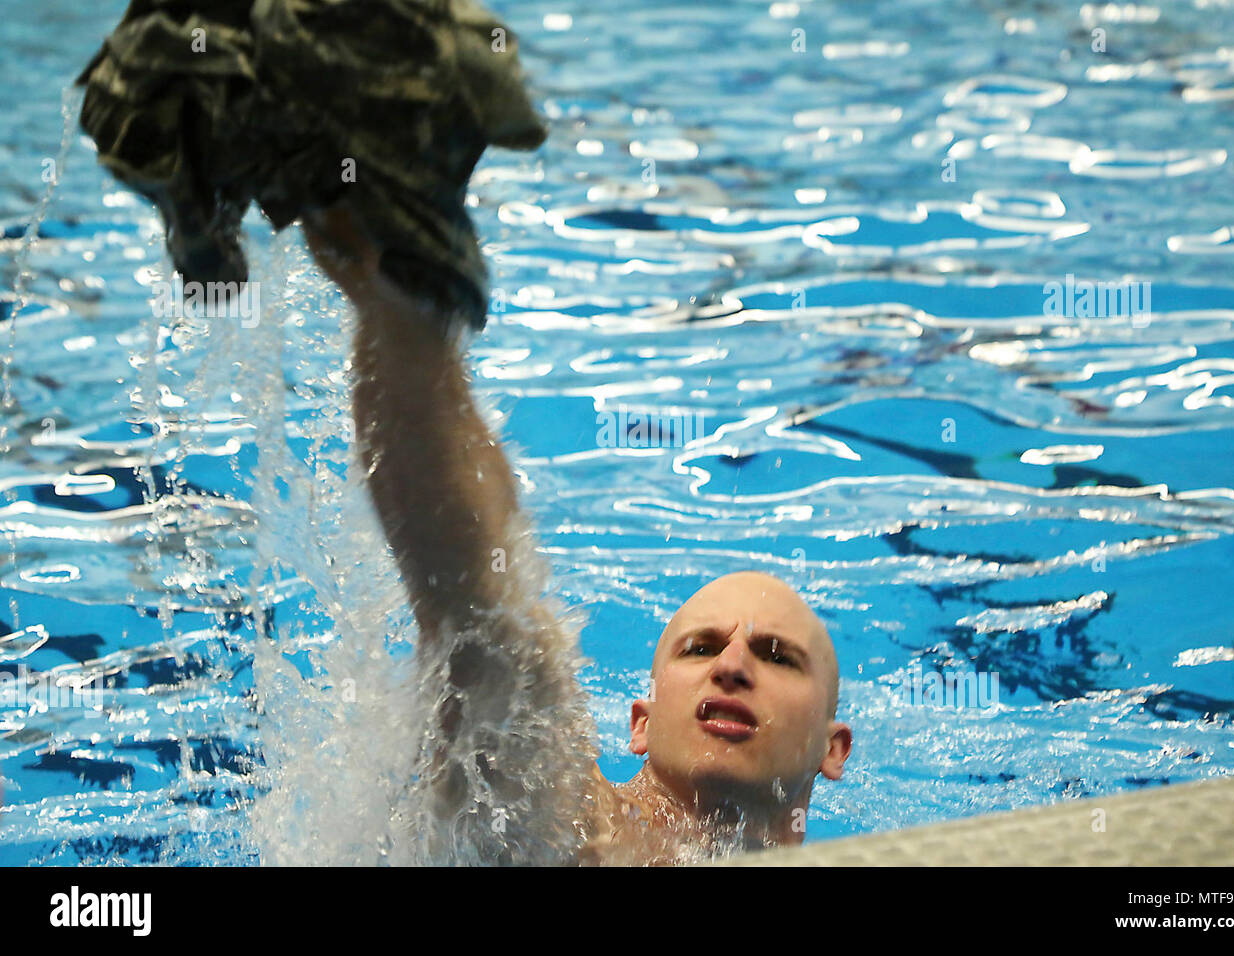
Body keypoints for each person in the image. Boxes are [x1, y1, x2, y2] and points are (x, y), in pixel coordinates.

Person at [301, 202, 853, 865]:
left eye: (776, 655)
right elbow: (474, 603)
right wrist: (400, 302)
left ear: (834, 745)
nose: (731, 667)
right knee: (513, 657)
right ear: (640, 726)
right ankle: (398, 267)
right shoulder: (570, 827)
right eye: (698, 649)